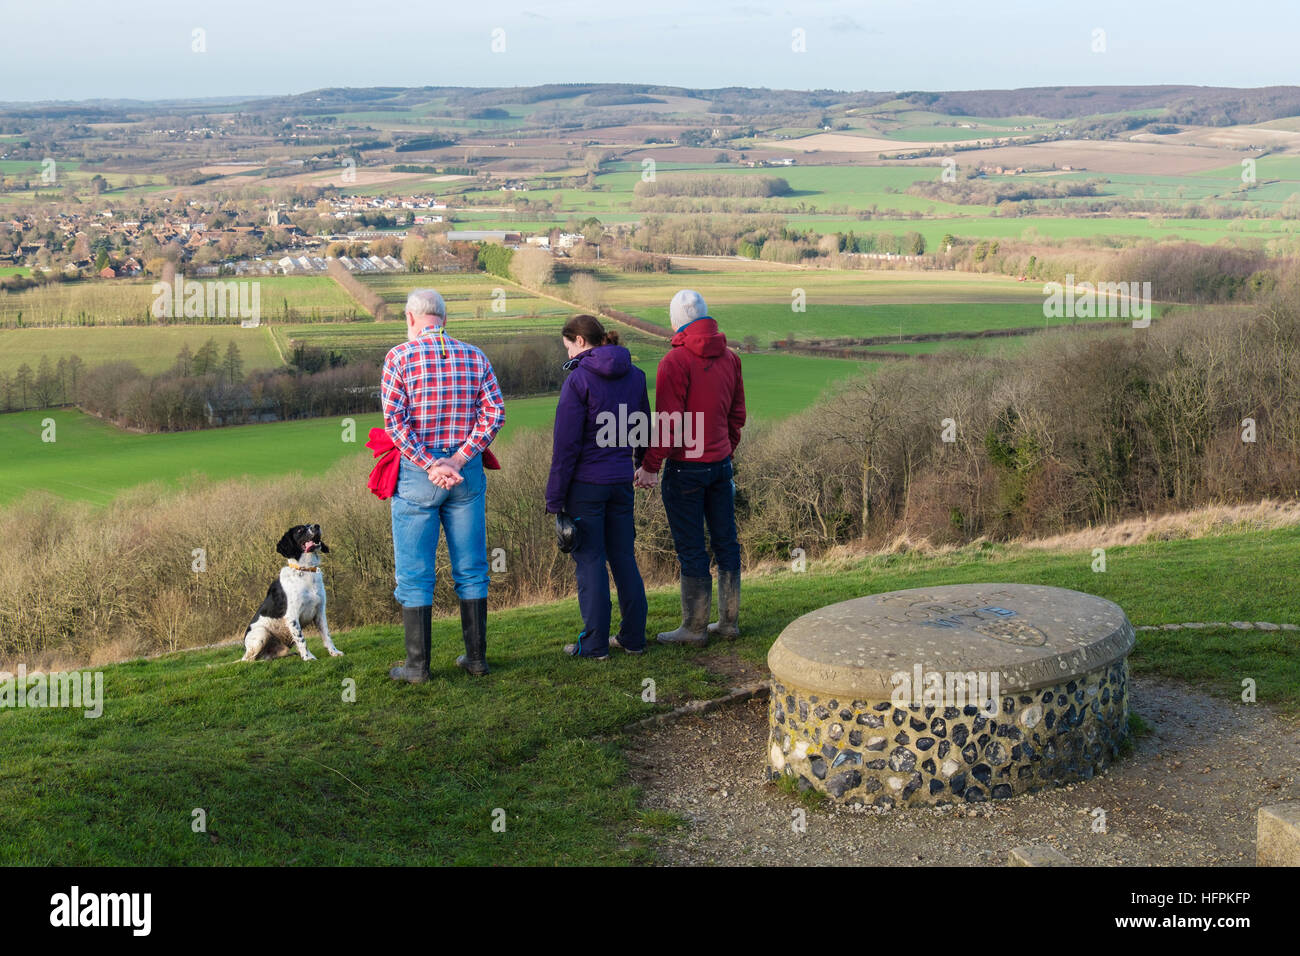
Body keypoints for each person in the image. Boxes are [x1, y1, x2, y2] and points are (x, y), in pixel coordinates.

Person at [381, 289, 505, 681]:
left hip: (418, 478)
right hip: (465, 475)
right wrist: (458, 459)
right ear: (444, 320)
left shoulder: (398, 358)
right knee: (472, 568)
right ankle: (477, 659)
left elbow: (395, 425)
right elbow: (495, 414)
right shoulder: (475, 356)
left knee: (416, 573)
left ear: (410, 318)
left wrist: (431, 463)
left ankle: (417, 666)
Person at [634, 290, 746, 647]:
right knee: (727, 541)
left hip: (685, 470)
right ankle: (728, 623)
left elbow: (669, 422)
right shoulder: (731, 358)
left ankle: (694, 628)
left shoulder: (675, 362)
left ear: (675, 321)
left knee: (692, 547)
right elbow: (736, 415)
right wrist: (724, 448)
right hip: (721, 465)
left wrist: (651, 465)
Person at [545, 314, 650, 660]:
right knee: (623, 558)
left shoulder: (578, 381)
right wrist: (640, 465)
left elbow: (566, 447)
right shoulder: (635, 375)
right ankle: (633, 639)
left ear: (578, 340)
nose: (569, 355)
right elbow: (642, 427)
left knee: (590, 563)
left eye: (568, 347)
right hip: (621, 482)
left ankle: (594, 645)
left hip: (586, 486)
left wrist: (555, 499)